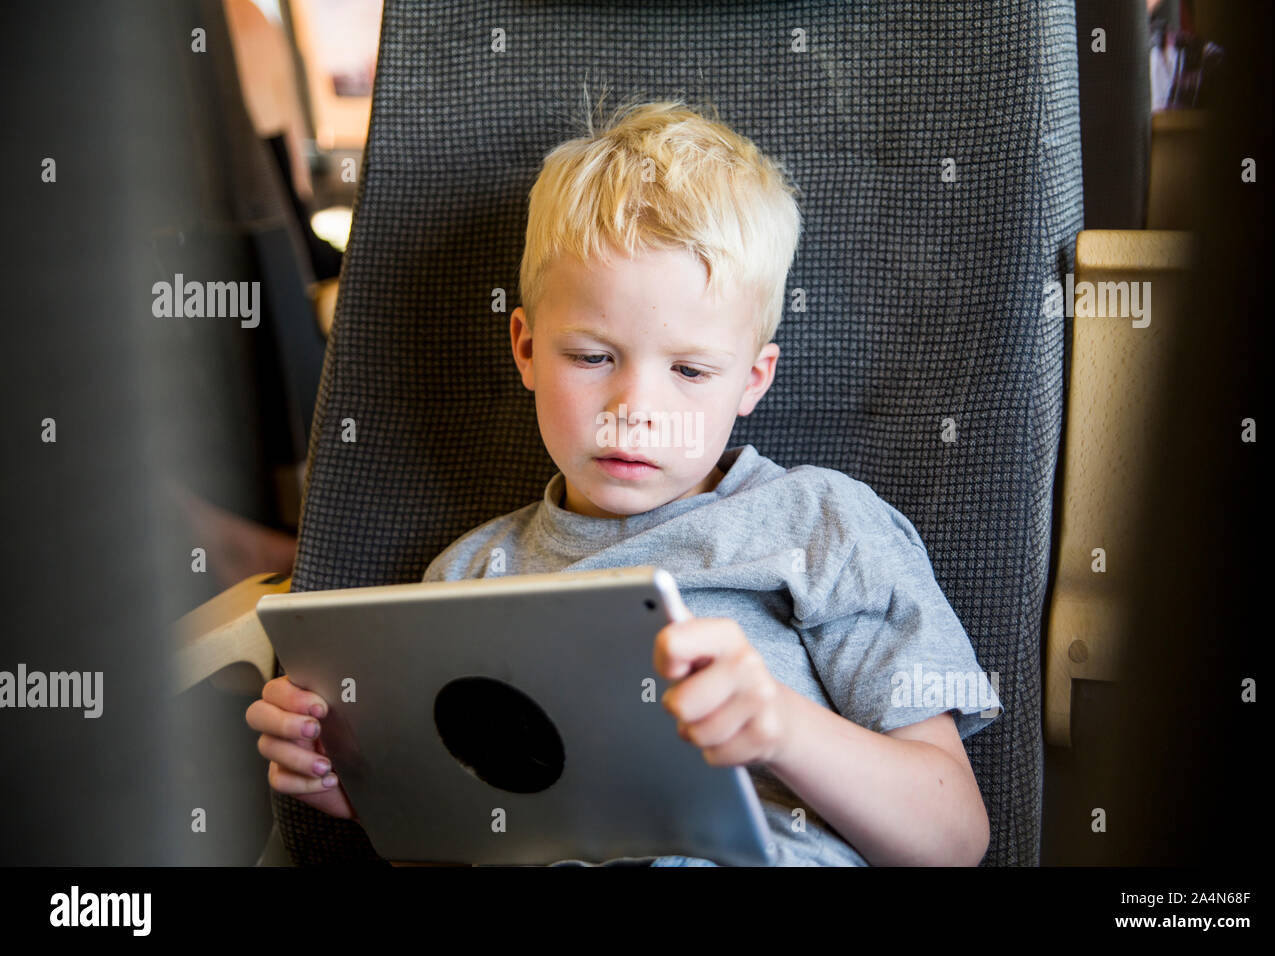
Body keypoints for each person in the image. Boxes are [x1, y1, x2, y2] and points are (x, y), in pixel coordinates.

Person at [246, 97, 1002, 866]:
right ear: (527, 349)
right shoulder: (469, 580)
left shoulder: (822, 526)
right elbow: (459, 837)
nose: (635, 410)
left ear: (753, 379)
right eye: (592, 357)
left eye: (690, 370)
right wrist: (367, 787)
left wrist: (781, 726)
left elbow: (953, 840)